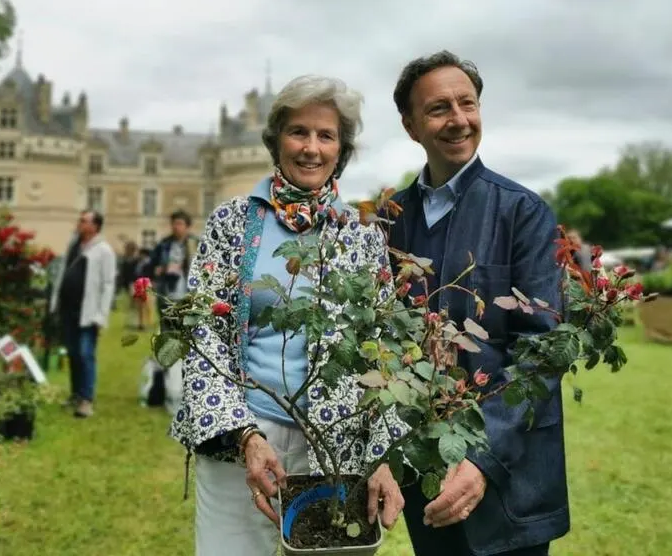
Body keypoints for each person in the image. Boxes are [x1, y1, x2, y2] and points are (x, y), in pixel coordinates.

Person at [169, 75, 404, 555]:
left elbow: (382, 348)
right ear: (276, 140)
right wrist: (245, 436)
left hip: (337, 443)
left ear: (342, 149)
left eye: (326, 135)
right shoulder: (233, 222)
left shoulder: (360, 234)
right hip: (246, 432)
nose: (311, 148)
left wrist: (381, 455)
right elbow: (202, 334)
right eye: (299, 132)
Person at [387, 51, 568, 556]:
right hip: (428, 470)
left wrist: (483, 459)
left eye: (468, 103)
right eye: (439, 108)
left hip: (511, 473)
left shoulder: (523, 212)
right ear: (410, 125)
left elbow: (543, 351)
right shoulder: (390, 222)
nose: (459, 119)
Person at [49, 210, 117, 418]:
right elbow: (62, 275)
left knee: (85, 354)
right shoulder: (74, 246)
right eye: (80, 220)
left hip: (88, 311)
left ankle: (86, 399)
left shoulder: (104, 251)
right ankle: (75, 394)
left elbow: (108, 284)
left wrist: (101, 315)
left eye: (84, 221)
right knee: (72, 353)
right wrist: (55, 302)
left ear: (95, 226)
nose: (79, 224)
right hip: (68, 308)